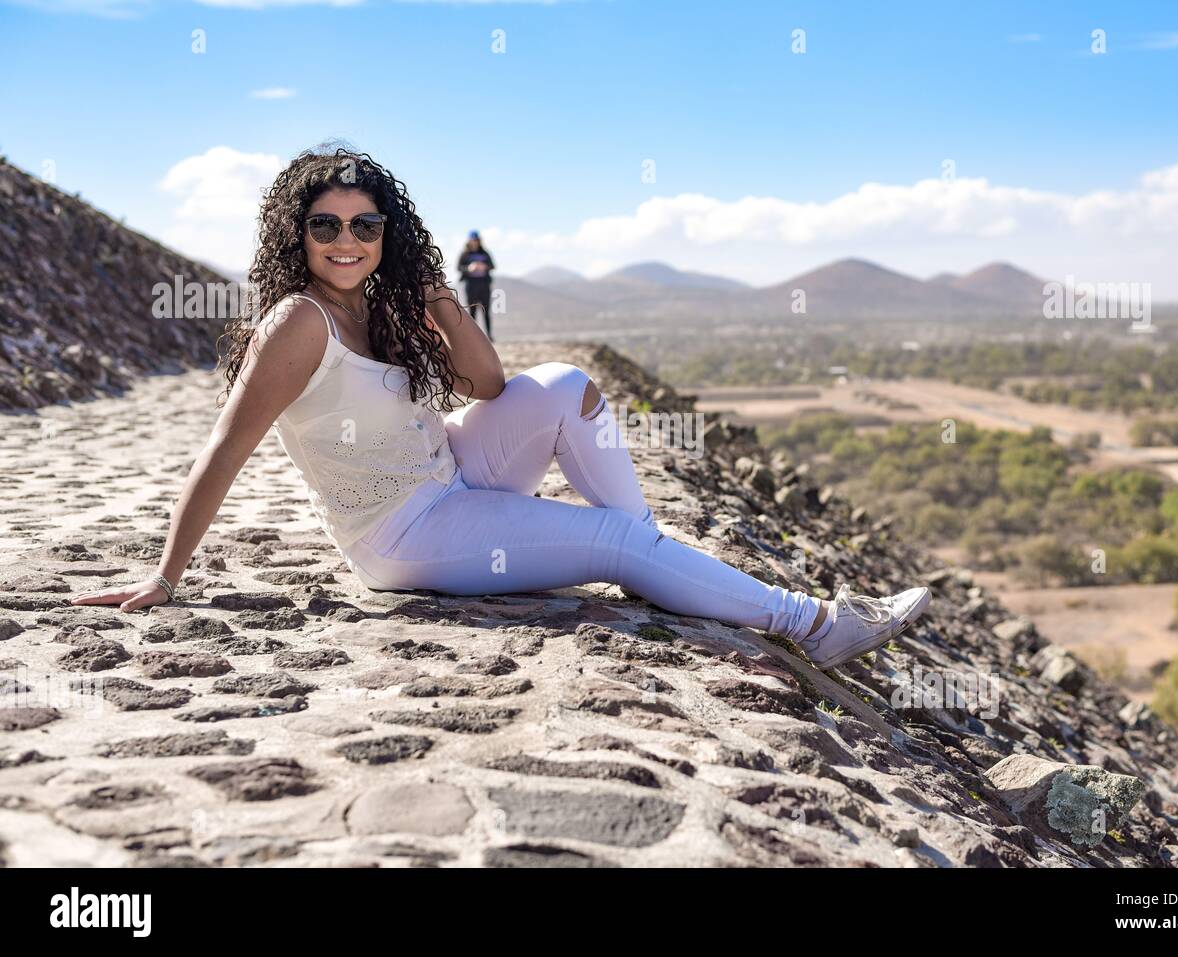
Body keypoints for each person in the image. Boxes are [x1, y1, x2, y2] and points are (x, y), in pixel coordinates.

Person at [68, 146, 930, 670]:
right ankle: (810, 623)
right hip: (402, 534)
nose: (345, 241)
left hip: (451, 470)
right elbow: (227, 446)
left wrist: (436, 298)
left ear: (385, 235)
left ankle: (656, 564)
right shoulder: (299, 323)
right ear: (297, 233)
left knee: (562, 386)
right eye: (325, 225)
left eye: (365, 226)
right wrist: (166, 574)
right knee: (617, 542)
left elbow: (489, 385)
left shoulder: (382, 302)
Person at [457, 230, 494, 340]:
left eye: (476, 240)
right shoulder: (465, 254)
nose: (475, 242)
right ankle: (473, 336)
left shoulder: (485, 253)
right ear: (469, 241)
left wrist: (485, 266)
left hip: (484, 284)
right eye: (473, 240)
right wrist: (469, 268)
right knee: (472, 311)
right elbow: (459, 267)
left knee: (486, 311)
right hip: (471, 285)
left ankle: (489, 336)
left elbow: (492, 266)